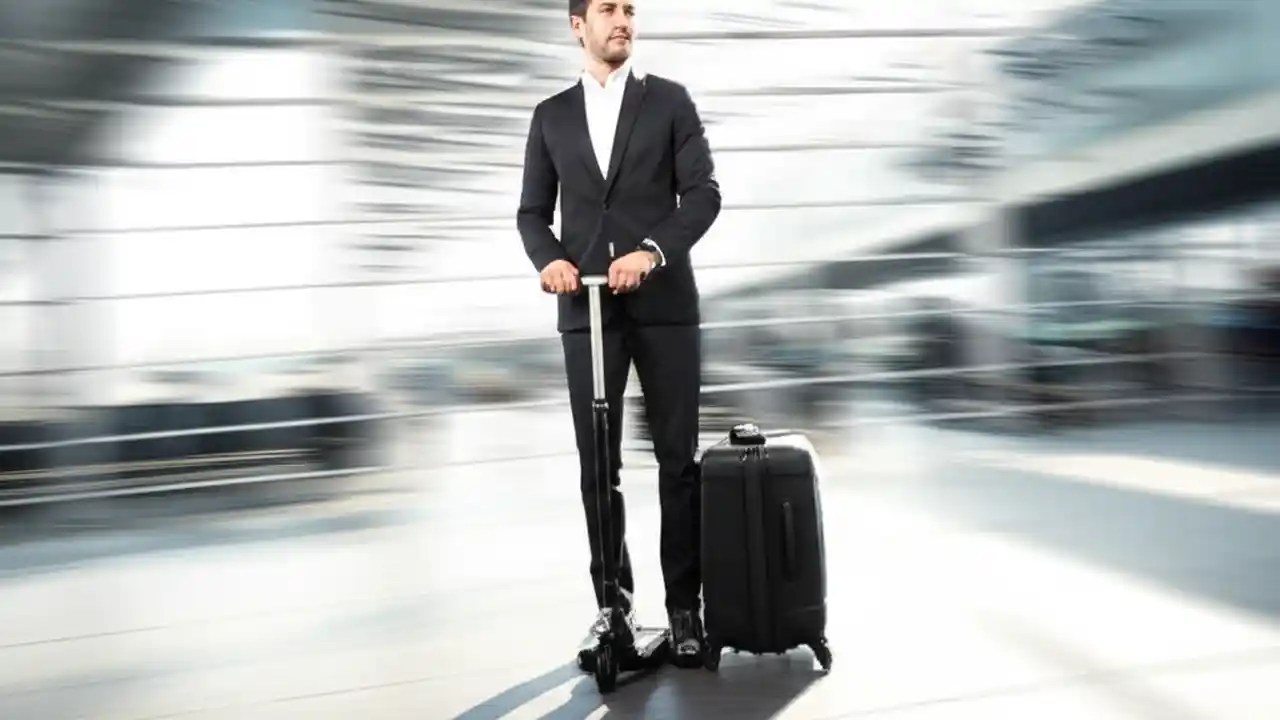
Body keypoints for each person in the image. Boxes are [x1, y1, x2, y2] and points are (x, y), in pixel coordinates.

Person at [516, 0, 721, 667]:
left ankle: (685, 610)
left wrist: (653, 251)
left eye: (630, 9)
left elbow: (704, 194)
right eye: (609, 8)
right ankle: (613, 608)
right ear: (578, 24)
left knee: (677, 463)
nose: (623, 19)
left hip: (665, 309)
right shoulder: (550, 117)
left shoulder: (668, 102)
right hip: (588, 314)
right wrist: (549, 259)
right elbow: (530, 214)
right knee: (597, 468)